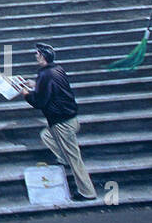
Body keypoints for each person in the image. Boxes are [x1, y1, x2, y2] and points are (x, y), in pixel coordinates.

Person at [20, 43, 97, 200]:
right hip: (71, 119)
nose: (35, 56)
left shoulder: (46, 75)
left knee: (75, 158)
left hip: (62, 123)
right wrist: (35, 85)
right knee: (47, 136)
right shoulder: (57, 70)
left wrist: (26, 94)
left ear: (43, 56)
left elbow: (39, 101)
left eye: (37, 54)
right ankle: (63, 159)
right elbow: (52, 87)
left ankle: (87, 192)